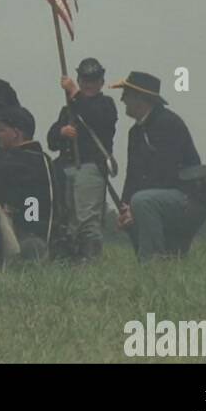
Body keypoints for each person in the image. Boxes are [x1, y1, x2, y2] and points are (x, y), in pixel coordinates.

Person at [112, 72, 206, 261]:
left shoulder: (168, 123)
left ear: (140, 98)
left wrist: (134, 208)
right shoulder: (135, 132)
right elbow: (133, 174)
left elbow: (166, 174)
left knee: (142, 202)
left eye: (126, 94)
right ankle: (164, 261)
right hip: (164, 197)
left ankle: (153, 263)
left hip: (190, 196)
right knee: (136, 206)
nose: (122, 99)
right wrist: (125, 208)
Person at [46, 57, 118, 260]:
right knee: (68, 221)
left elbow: (95, 118)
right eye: (85, 79)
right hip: (67, 167)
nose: (88, 84)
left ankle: (90, 262)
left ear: (101, 82)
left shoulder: (106, 104)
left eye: (93, 80)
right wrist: (62, 131)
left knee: (87, 221)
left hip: (90, 167)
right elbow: (51, 141)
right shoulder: (69, 109)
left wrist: (75, 93)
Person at [0, 106, 55, 262]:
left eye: (2, 130)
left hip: (28, 239)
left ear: (16, 134)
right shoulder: (45, 159)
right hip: (48, 237)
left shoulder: (16, 160)